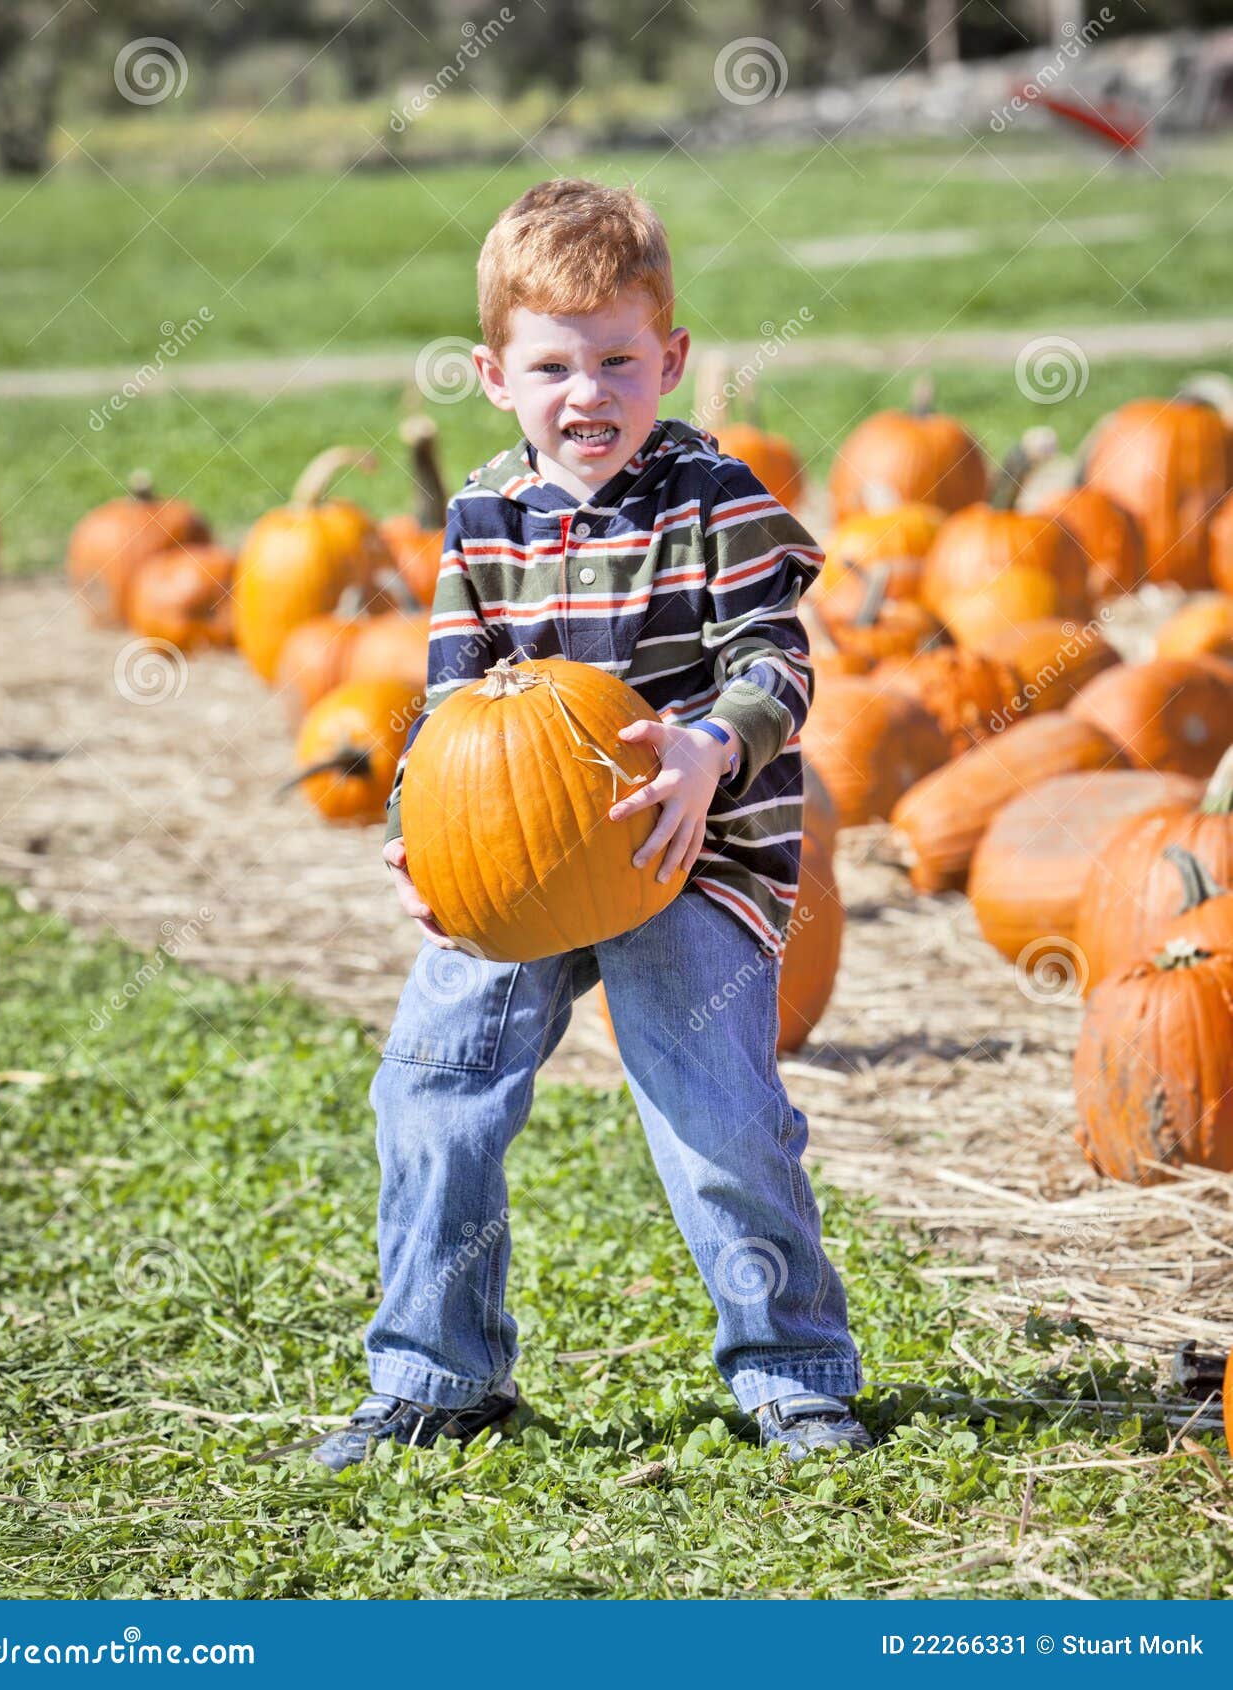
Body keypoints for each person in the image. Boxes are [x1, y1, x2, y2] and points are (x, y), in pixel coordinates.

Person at [314, 178, 870, 1474]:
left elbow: (777, 660)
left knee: (718, 1118)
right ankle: (435, 1372)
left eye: (620, 360)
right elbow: (453, 710)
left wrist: (706, 744)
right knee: (430, 1091)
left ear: (669, 358)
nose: (589, 393)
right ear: (493, 375)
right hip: (521, 858)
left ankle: (790, 1367)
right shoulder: (480, 519)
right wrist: (416, 826)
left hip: (691, 846)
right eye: (554, 364)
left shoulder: (714, 495)